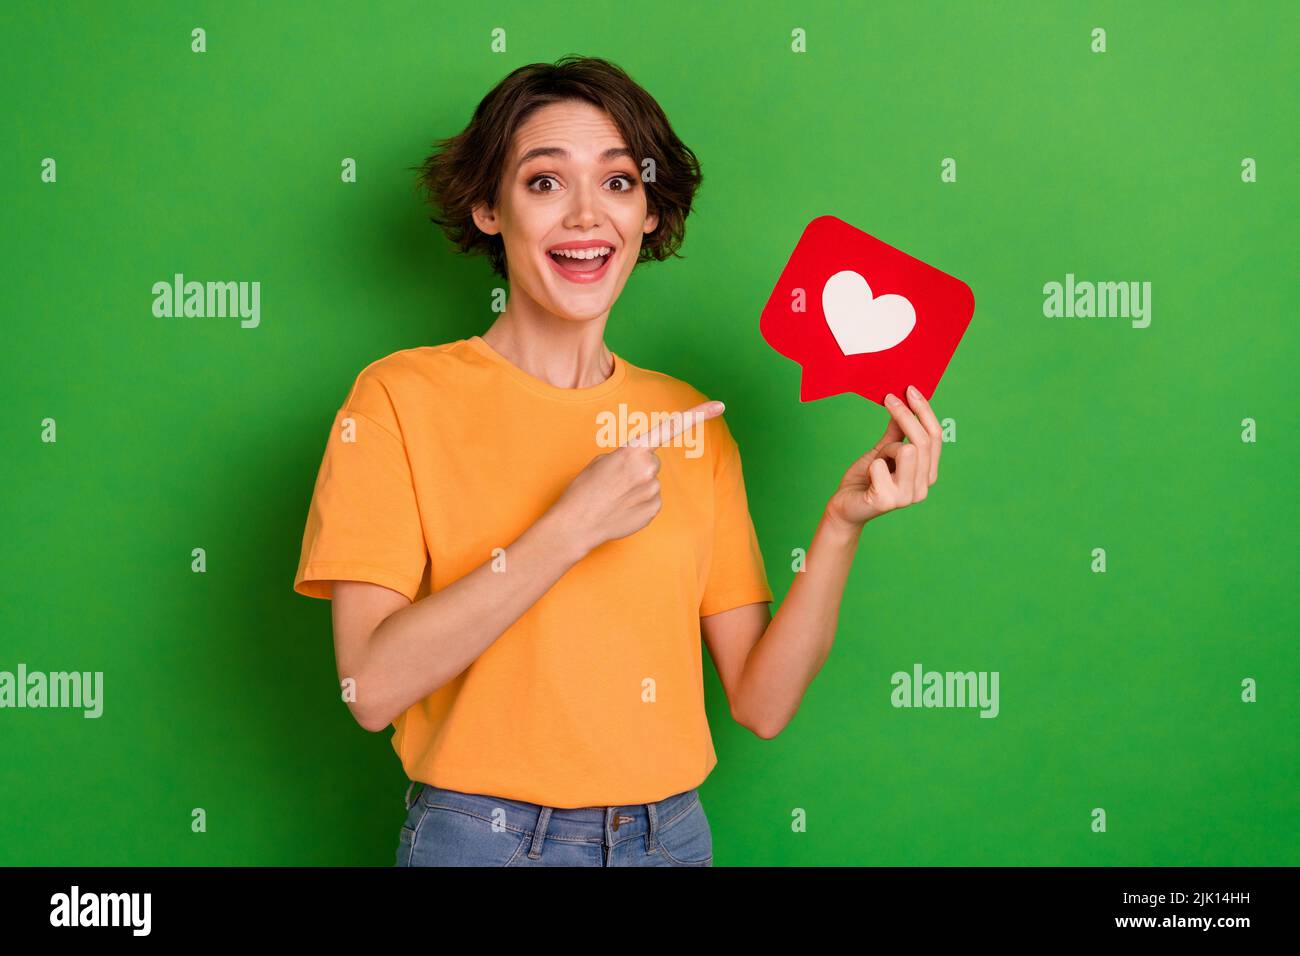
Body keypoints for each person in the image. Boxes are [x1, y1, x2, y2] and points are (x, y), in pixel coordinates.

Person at [292, 55, 943, 867]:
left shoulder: (690, 421)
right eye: (543, 183)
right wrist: (570, 528)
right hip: (485, 841)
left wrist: (843, 525)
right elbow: (371, 688)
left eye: (618, 183)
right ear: (488, 209)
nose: (585, 217)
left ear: (647, 214)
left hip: (667, 839)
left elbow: (762, 704)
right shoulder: (397, 399)